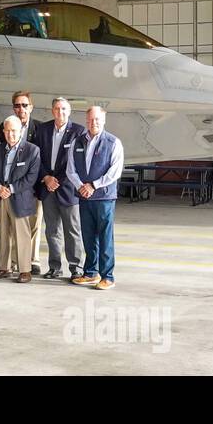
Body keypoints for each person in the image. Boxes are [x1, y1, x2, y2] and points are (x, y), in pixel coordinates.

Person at [69, 106, 124, 290]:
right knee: (88, 237)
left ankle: (108, 276)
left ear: (104, 120)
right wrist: (81, 186)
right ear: (86, 120)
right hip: (84, 197)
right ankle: (90, 273)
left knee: (105, 237)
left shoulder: (113, 142)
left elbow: (115, 171)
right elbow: (71, 170)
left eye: (97, 119)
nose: (94, 123)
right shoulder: (77, 142)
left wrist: (93, 185)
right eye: (91, 120)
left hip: (104, 198)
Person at [0, 115, 43, 283]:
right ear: (3, 132)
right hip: (0, 198)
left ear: (20, 131)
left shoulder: (32, 150)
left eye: (14, 131)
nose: (11, 134)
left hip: (20, 198)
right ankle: (4, 268)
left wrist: (10, 189)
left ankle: (25, 270)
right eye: (8, 131)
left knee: (22, 235)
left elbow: (31, 178)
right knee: (3, 233)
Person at [35, 97, 86, 280]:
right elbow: (36, 158)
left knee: (72, 230)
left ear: (69, 111)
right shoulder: (43, 130)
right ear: (52, 111)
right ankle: (54, 267)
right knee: (52, 230)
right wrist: (46, 178)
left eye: (64, 109)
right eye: (57, 109)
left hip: (68, 190)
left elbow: (77, 163)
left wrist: (58, 180)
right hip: (48, 189)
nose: (60, 112)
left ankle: (76, 267)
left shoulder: (79, 132)